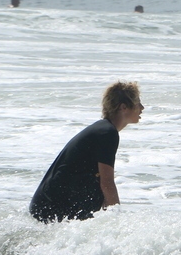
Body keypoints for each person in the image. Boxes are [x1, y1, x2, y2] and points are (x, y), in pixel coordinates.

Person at [29, 81, 144, 223]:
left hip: (47, 206)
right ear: (123, 107)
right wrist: (117, 222)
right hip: (52, 207)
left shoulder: (102, 130)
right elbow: (107, 183)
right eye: (138, 103)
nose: (142, 108)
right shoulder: (107, 133)